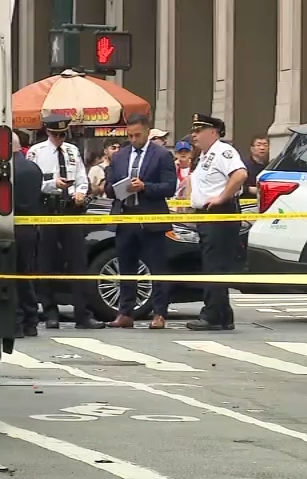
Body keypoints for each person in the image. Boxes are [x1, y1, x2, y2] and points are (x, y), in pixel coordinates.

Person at [26, 113, 105, 330]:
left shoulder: (72, 150)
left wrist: (80, 192)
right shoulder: (37, 152)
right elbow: (32, 182)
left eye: (62, 134)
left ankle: (83, 313)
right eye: (55, 134)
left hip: (71, 210)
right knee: (46, 262)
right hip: (48, 209)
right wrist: (53, 184)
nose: (59, 138)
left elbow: (81, 177)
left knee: (78, 261)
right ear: (48, 132)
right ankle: (50, 311)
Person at [104, 113, 176, 330]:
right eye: (130, 135)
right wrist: (118, 189)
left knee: (157, 267)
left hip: (151, 217)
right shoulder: (120, 156)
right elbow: (108, 187)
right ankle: (125, 312)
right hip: (126, 215)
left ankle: (159, 313)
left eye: (137, 135)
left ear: (147, 131)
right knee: (126, 266)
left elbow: (170, 187)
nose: (134, 139)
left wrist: (146, 187)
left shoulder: (162, 155)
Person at [187, 113, 247, 331]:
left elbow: (240, 175)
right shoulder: (204, 155)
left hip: (220, 214)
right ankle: (223, 315)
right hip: (206, 215)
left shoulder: (223, 151)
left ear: (213, 132)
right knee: (213, 265)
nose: (194, 134)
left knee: (214, 265)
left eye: (198, 130)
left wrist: (222, 197)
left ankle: (212, 315)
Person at [12, 131, 44, 338]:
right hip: (30, 227)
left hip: (11, 226)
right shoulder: (33, 168)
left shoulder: (4, 170)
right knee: (26, 274)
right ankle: (31, 320)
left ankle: (17, 320)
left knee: (11, 277)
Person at [242, 135, 270, 200]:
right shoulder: (243, 166)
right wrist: (249, 189)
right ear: (252, 148)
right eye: (258, 145)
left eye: (265, 145)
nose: (262, 148)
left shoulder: (271, 167)